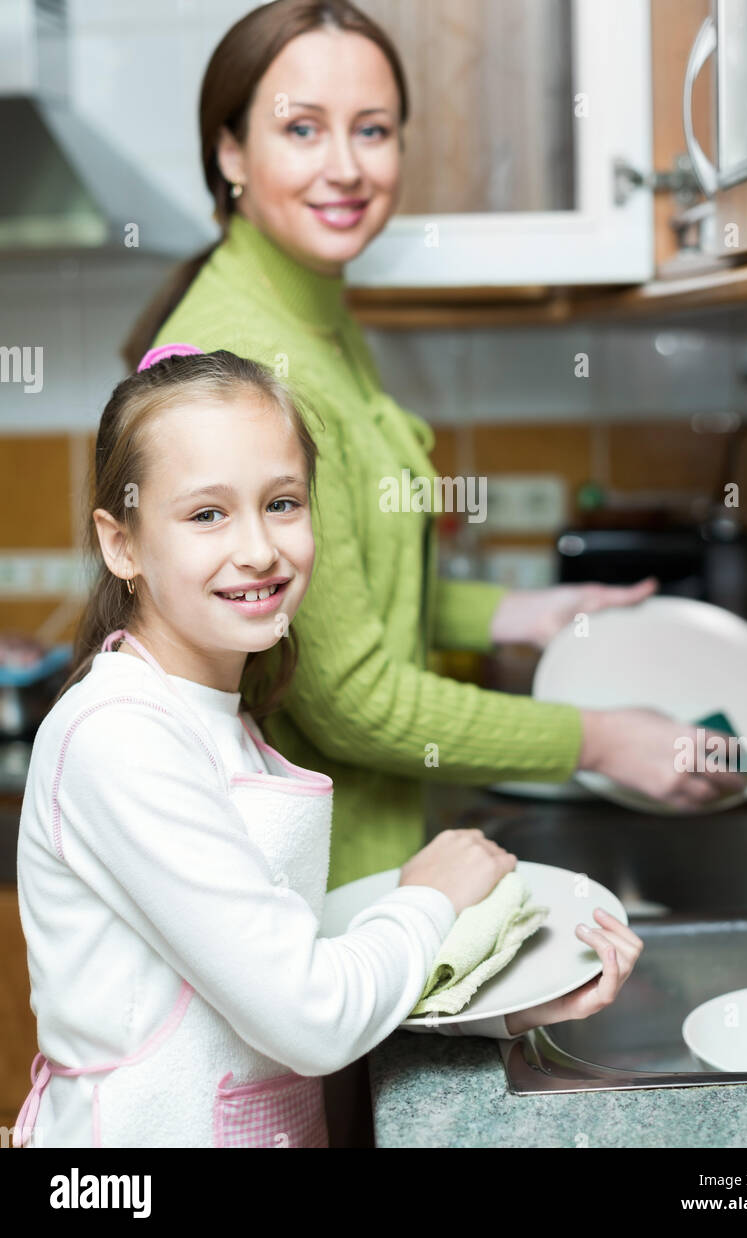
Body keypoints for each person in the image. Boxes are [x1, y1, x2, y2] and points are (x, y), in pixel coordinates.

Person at [122, 0, 747, 901]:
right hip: (303, 903)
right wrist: (601, 737)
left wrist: (511, 614)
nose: (345, 167)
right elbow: (354, 703)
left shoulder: (314, 309)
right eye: (302, 129)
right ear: (230, 152)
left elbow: (341, 585)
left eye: (372, 130)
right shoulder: (249, 361)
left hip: (358, 876)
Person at [13, 346, 643, 1149]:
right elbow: (310, 1016)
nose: (259, 549)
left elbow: (280, 977)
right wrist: (430, 895)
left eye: (282, 502)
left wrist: (502, 1010)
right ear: (121, 544)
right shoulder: (120, 738)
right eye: (207, 514)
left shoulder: (216, 711)